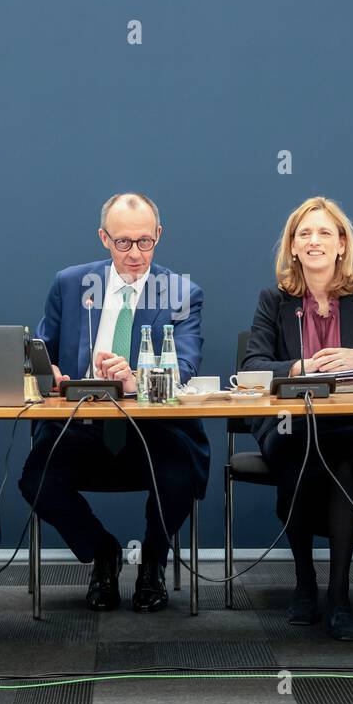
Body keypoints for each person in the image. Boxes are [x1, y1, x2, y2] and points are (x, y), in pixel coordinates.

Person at [18, 193, 209, 613]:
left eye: (145, 242)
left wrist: (137, 377)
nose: (135, 254)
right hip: (81, 428)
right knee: (36, 480)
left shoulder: (180, 292)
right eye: (123, 242)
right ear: (105, 239)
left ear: (159, 235)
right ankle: (103, 552)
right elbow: (38, 352)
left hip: (154, 431)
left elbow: (187, 364)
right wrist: (51, 375)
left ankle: (153, 563)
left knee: (179, 475)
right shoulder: (70, 283)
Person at [242, 196, 353, 641]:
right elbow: (252, 368)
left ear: (341, 245)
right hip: (290, 422)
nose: (313, 241)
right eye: (304, 234)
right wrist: (300, 368)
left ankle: (338, 594)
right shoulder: (273, 301)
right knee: (293, 451)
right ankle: (303, 580)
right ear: (292, 247)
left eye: (324, 233)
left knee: (346, 457)